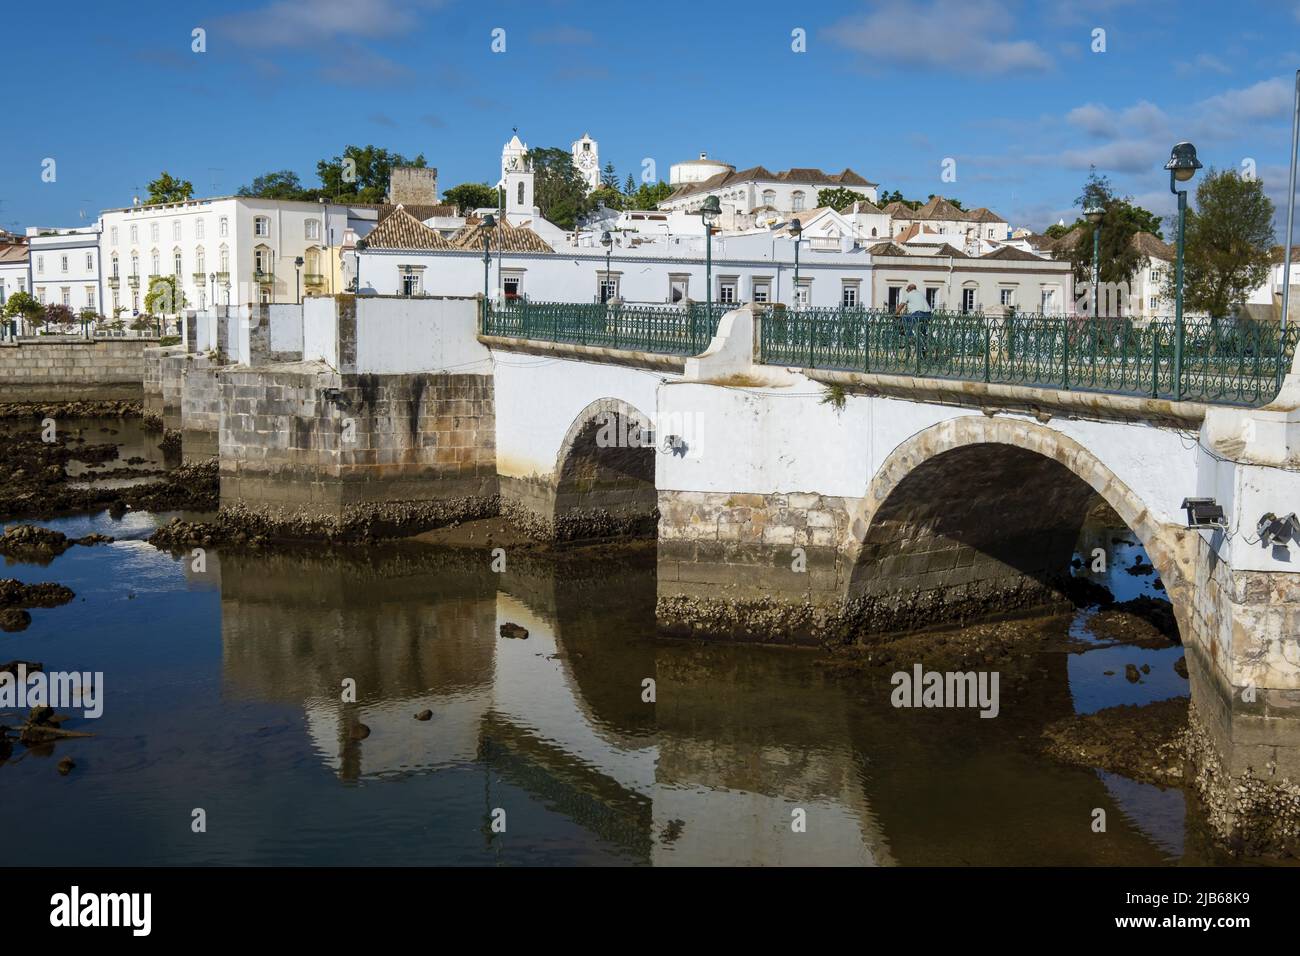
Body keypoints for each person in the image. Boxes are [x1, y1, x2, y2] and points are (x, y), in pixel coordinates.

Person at [895, 282, 932, 358]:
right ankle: (924, 341)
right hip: (928, 314)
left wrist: (895, 314)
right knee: (920, 330)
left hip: (918, 314)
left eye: (907, 290)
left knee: (905, 318)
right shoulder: (921, 294)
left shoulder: (908, 294)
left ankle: (910, 336)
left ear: (909, 289)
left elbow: (901, 305)